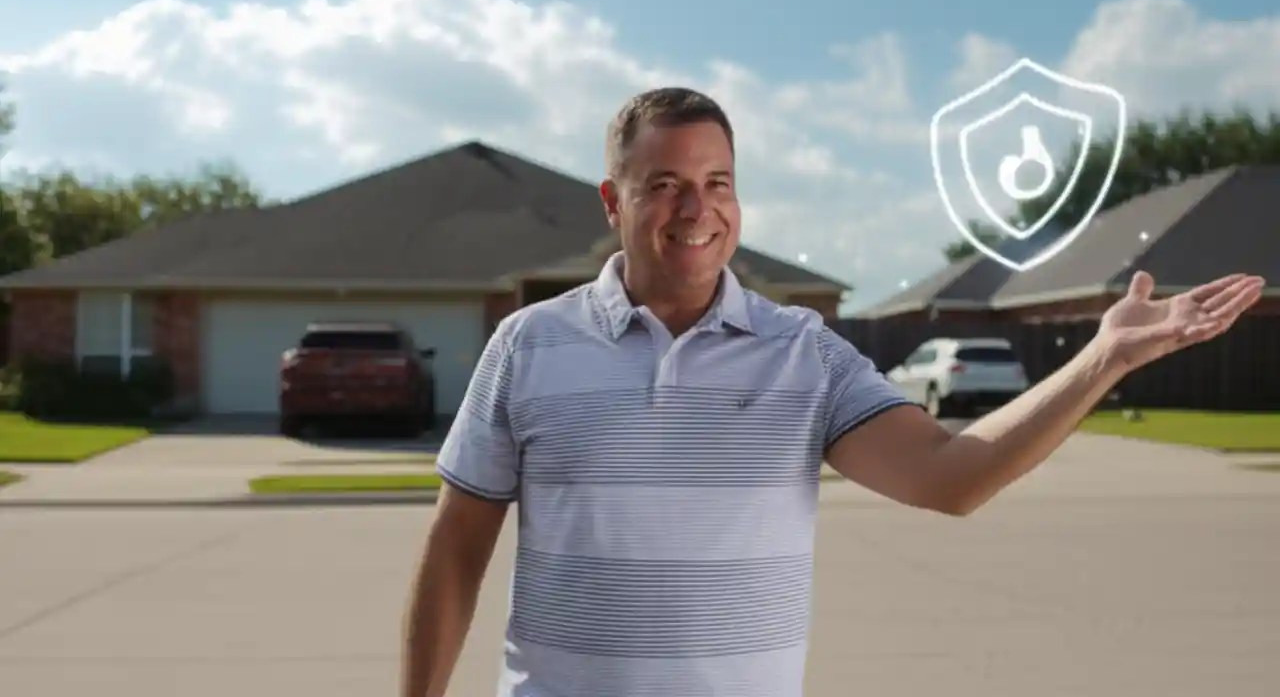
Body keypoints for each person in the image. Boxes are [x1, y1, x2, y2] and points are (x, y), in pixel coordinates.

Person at [400, 87, 1265, 697]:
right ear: (611, 202)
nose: (696, 209)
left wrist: (1104, 359)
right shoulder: (530, 345)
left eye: (717, 183)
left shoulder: (802, 354)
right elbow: (455, 548)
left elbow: (952, 477)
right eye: (663, 185)